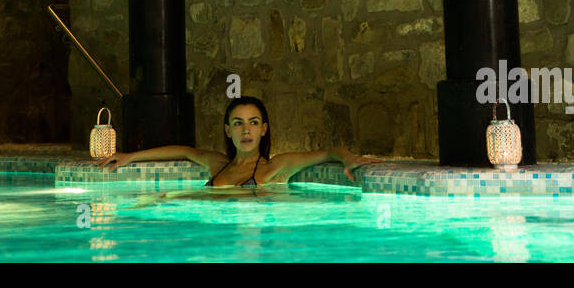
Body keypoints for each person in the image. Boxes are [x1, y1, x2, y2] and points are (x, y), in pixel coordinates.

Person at [94, 95, 381, 188]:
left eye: (253, 123)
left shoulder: (274, 168)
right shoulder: (217, 164)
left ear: (264, 129)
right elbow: (184, 150)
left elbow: (328, 152)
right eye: (238, 123)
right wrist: (130, 156)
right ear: (228, 131)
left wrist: (348, 158)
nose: (246, 131)